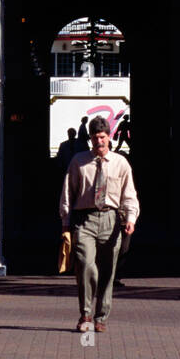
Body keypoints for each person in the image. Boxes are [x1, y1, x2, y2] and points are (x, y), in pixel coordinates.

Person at [59, 115, 139, 333]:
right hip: (84, 220)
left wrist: (130, 218)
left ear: (109, 137)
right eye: (95, 138)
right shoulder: (79, 161)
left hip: (111, 220)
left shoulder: (120, 163)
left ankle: (101, 316)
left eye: (102, 137)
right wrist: (66, 222)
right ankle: (85, 314)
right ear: (90, 139)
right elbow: (68, 192)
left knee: (108, 271)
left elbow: (129, 194)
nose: (99, 142)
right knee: (85, 265)